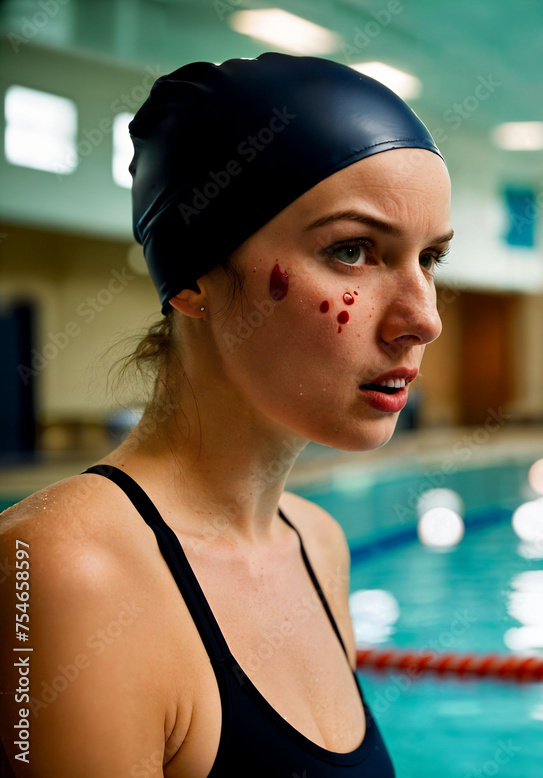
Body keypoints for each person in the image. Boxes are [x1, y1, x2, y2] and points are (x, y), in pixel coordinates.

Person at [0, 51, 452, 777]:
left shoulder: (318, 543)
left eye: (429, 258)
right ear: (194, 276)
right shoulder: (64, 573)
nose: (422, 318)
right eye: (353, 250)